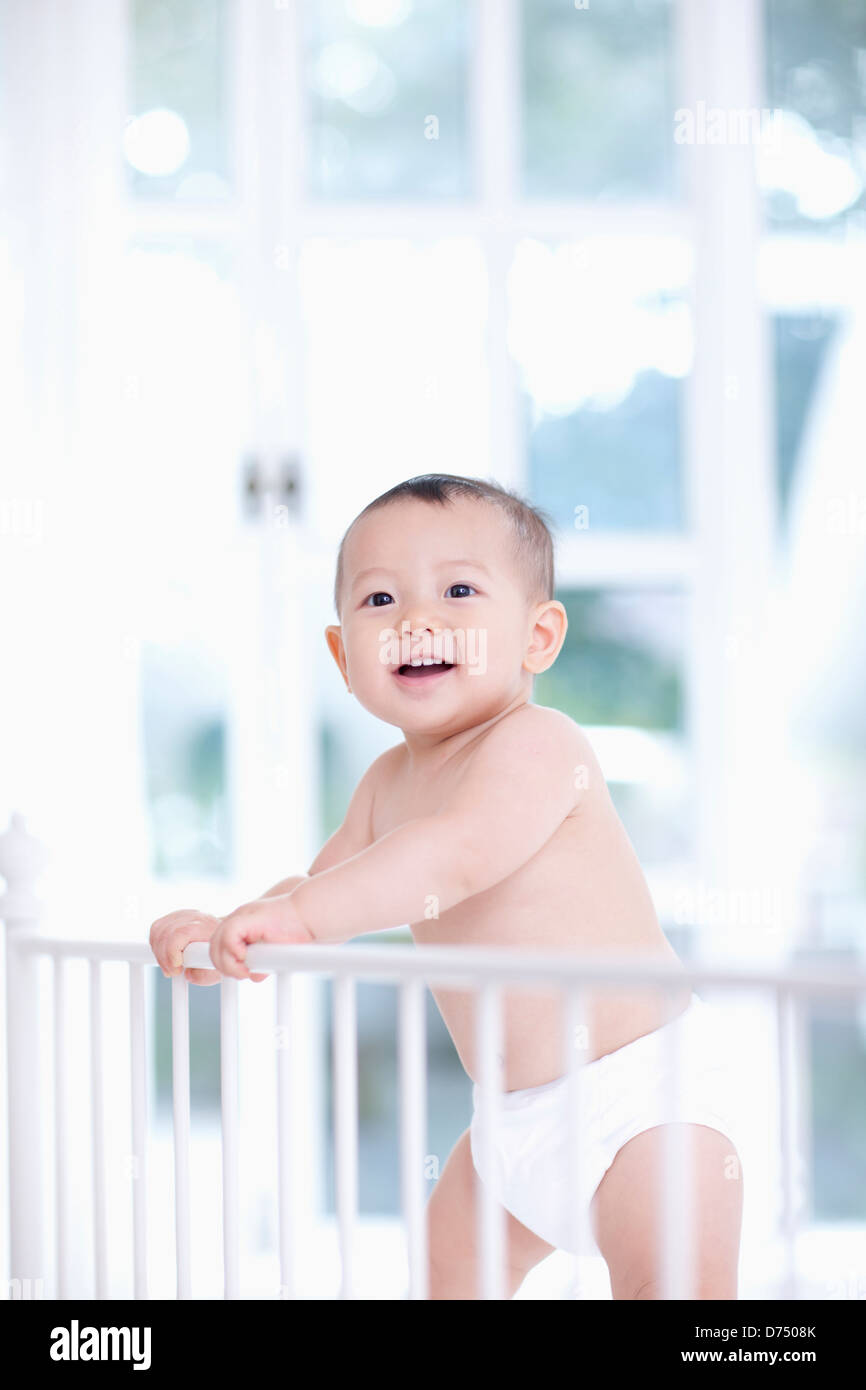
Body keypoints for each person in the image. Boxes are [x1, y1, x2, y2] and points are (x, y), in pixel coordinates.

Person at [149, 472, 745, 1299]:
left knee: (673, 1288)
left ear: (538, 638)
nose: (416, 620)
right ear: (342, 655)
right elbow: (328, 892)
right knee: (451, 1269)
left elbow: (454, 856)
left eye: (459, 590)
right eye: (380, 600)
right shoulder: (386, 784)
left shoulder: (539, 744)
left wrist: (297, 914)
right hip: (513, 1120)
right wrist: (239, 932)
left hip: (642, 1100)